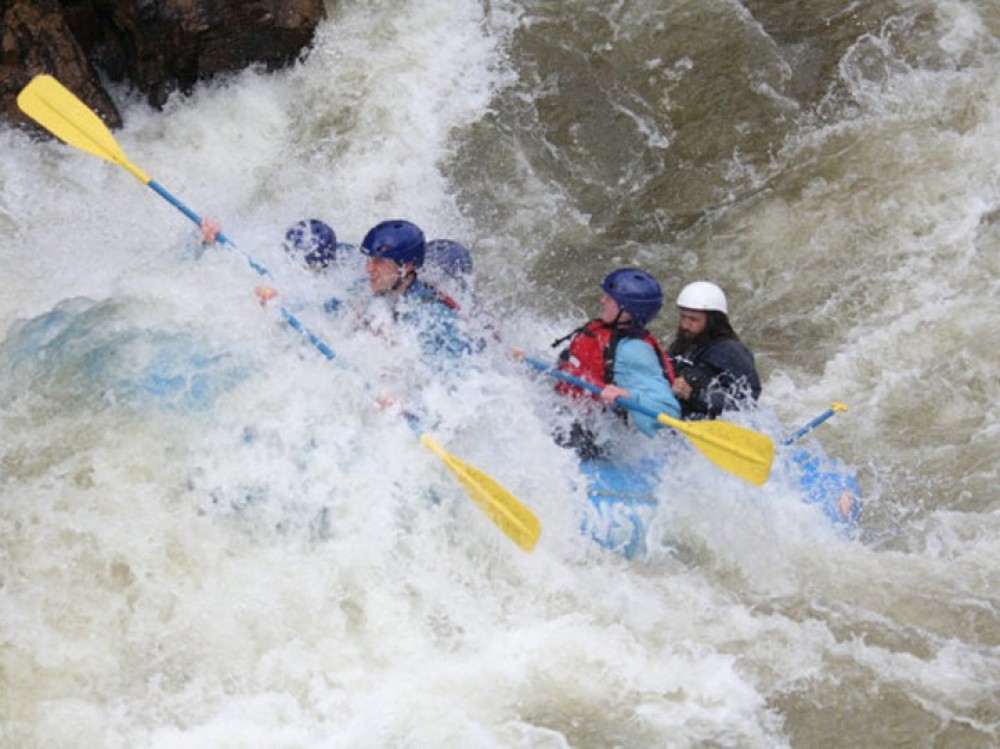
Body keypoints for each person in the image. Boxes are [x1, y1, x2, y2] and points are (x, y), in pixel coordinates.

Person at [548, 267, 680, 458]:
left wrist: (627, 394)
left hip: (594, 439)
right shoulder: (603, 332)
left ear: (626, 310)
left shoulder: (633, 351)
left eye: (609, 299)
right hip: (567, 416)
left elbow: (669, 410)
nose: (602, 301)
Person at [357, 219, 472, 362]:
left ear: (407, 266)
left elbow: (462, 378)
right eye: (369, 260)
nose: (369, 269)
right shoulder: (380, 289)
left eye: (379, 262)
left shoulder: (433, 319)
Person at [667, 281, 761, 419]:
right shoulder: (684, 344)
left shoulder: (730, 351)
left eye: (693, 319)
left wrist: (695, 395)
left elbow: (747, 398)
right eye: (683, 317)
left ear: (712, 321)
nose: (684, 325)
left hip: (712, 427)